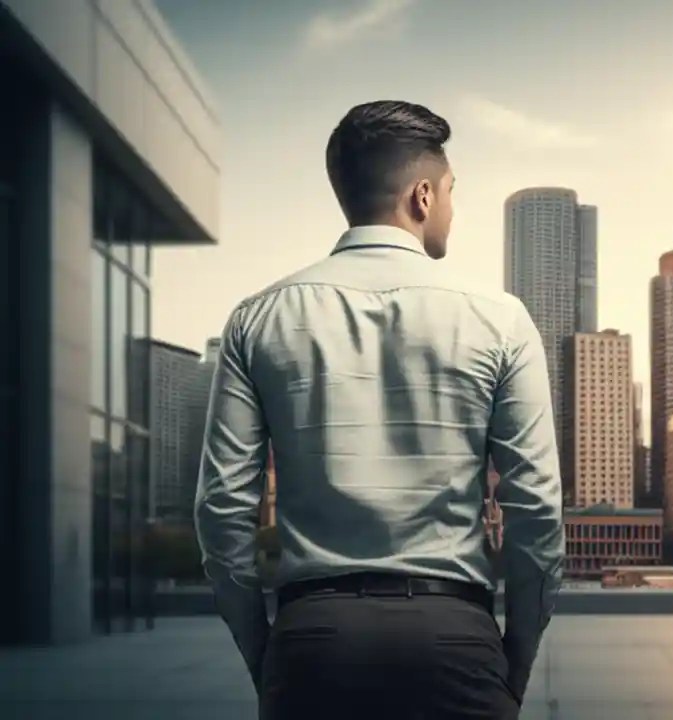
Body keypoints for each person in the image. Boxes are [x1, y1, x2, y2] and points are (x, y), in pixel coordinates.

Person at [193, 100, 564, 719]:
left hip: (312, 643)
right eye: (451, 191)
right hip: (457, 642)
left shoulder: (258, 318)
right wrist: (514, 662)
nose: (451, 208)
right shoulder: (500, 319)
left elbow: (222, 509)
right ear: (423, 196)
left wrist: (268, 655)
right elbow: (537, 510)